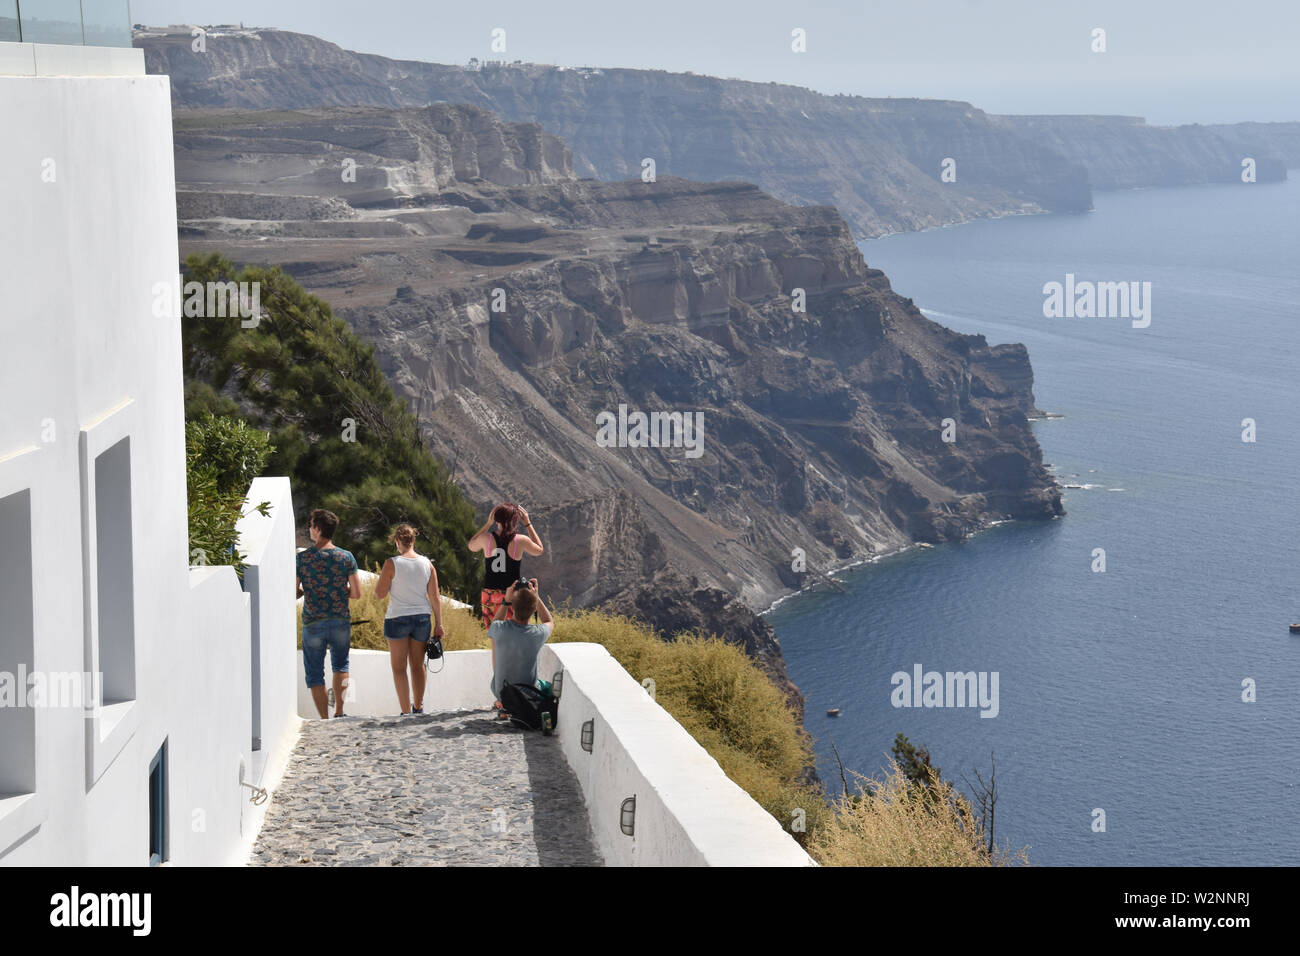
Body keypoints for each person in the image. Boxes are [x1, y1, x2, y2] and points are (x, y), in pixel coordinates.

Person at [374, 523, 444, 716]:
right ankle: (418, 707)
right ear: (413, 540)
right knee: (418, 665)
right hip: (422, 618)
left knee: (398, 668)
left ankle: (405, 712)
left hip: (397, 617)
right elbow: (435, 598)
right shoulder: (428, 564)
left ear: (397, 542)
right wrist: (439, 624)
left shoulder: (391, 563)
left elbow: (379, 594)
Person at [296, 508, 360, 718]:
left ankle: (324, 719)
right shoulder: (346, 557)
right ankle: (340, 712)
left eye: (311, 525)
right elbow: (357, 593)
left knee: (315, 673)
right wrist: (339, 592)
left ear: (318, 528)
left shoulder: (303, 559)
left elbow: (293, 590)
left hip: (313, 621)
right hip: (340, 619)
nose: (309, 529)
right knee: (341, 665)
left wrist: (306, 591)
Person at [468, 503, 544, 631]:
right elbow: (539, 550)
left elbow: (471, 545)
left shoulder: (486, 539)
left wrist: (488, 523)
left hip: (490, 594)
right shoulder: (520, 540)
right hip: (512, 594)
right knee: (514, 632)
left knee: (495, 633)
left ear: (496, 519)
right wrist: (528, 523)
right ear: (515, 520)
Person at [487, 578, 553, 716]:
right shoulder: (537, 633)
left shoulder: (499, 629)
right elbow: (548, 621)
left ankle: (504, 704)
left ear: (513, 606)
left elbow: (496, 622)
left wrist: (506, 600)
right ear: (534, 609)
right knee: (549, 688)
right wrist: (536, 597)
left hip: (501, 692)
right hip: (526, 694)